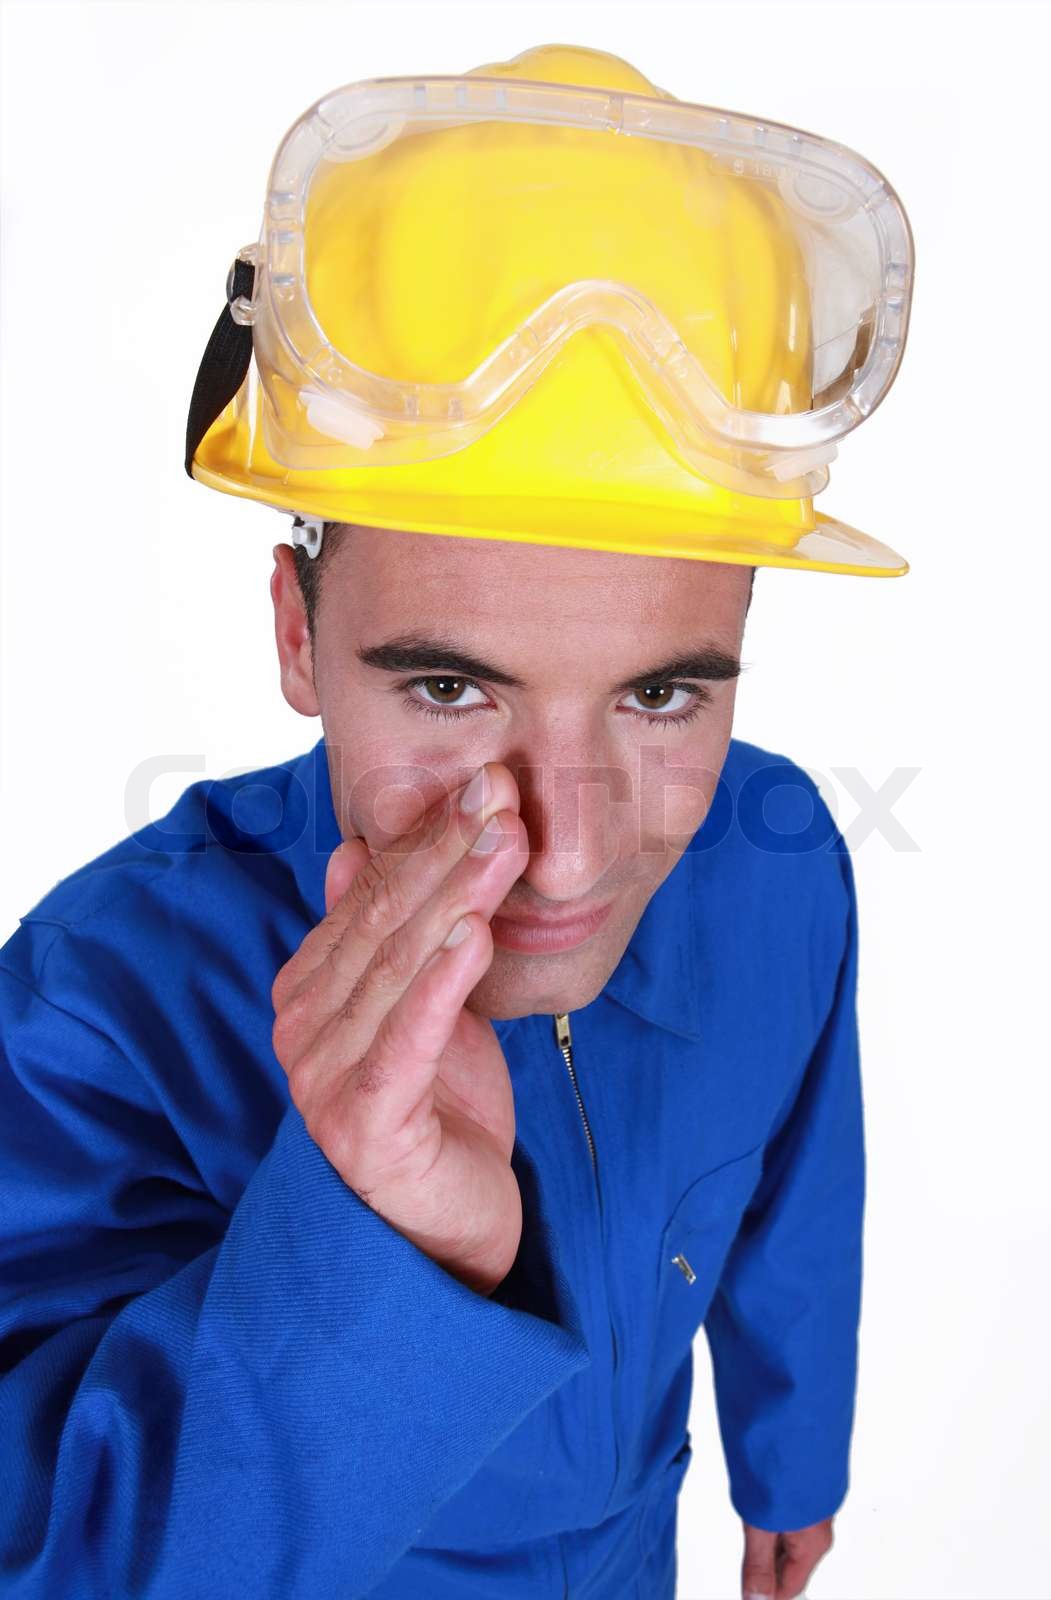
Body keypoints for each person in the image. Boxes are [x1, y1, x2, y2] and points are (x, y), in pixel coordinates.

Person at [0, 42, 914, 1600]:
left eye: (661, 695)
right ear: (297, 632)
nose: (565, 855)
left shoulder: (779, 863)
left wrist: (793, 1458)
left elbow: (794, 1199)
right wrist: (377, 1250)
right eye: (447, 688)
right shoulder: (94, 1008)